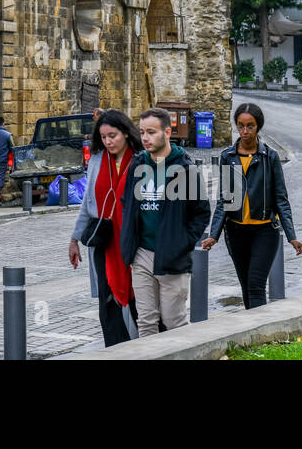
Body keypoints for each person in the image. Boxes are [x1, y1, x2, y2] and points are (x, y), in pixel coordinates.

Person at [200, 102, 302, 309]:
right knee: (246, 285)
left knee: (256, 285)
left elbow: (281, 199)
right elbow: (223, 200)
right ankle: (253, 336)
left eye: (250, 126)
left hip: (264, 230)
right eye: (240, 125)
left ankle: (258, 334)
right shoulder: (227, 157)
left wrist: (292, 236)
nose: (245, 131)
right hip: (236, 231)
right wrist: (214, 234)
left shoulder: (270, 157)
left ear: (258, 127)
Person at [118, 107, 211, 336]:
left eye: (151, 132)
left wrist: (183, 242)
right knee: (146, 320)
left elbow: (201, 212)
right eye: (142, 132)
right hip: (142, 253)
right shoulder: (137, 166)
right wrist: (130, 243)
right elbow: (127, 202)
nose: (145, 138)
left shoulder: (185, 169)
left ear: (167, 132)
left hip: (173, 255)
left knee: (173, 321)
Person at [68, 109, 142, 346]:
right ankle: (115, 348)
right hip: (105, 240)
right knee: (107, 299)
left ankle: (142, 345)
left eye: (113, 135)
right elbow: (88, 203)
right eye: (103, 137)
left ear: (126, 134)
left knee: (139, 297)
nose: (108, 141)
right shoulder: (98, 160)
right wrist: (75, 238)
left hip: (136, 241)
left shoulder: (141, 158)